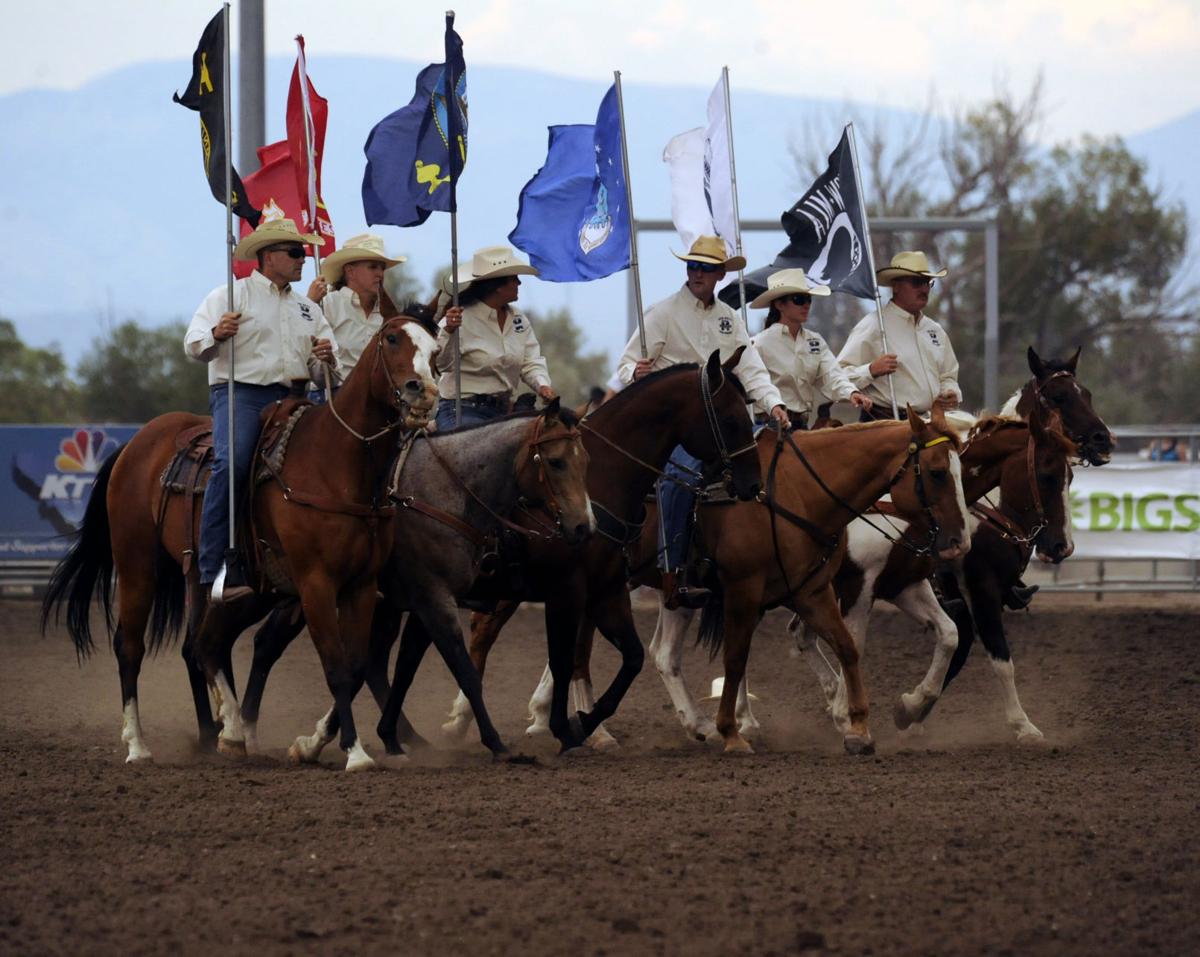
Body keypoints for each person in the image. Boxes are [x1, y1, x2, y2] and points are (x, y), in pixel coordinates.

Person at [615, 235, 788, 609]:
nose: (697, 273)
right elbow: (626, 363)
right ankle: (672, 573)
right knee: (681, 480)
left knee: (771, 461)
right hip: (675, 428)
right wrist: (634, 372)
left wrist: (774, 403)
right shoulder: (662, 313)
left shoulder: (730, 319)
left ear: (720, 274)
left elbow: (752, 369)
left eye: (706, 268)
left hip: (720, 424)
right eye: (693, 266)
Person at [185, 218, 339, 600]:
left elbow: (326, 374)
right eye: (295, 252)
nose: (303, 259)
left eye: (303, 253)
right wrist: (216, 334)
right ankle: (215, 568)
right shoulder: (228, 296)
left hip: (296, 397)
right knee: (233, 464)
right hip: (241, 393)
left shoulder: (309, 310)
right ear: (269, 257)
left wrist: (326, 360)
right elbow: (193, 345)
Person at [433, 245, 555, 432]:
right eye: (514, 279)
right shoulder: (459, 319)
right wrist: (448, 331)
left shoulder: (518, 319)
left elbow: (530, 361)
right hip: (461, 409)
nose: (519, 283)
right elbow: (442, 364)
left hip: (503, 411)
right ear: (498, 287)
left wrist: (542, 385)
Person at [838, 250, 961, 419]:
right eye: (917, 282)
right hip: (885, 421)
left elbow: (948, 376)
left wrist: (950, 392)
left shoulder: (935, 330)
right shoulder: (874, 325)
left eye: (927, 282)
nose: (924, 289)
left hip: (926, 422)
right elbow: (837, 377)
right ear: (895, 286)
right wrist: (871, 370)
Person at [749, 267, 872, 429]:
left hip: (801, 425)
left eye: (808, 299)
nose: (806, 305)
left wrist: (851, 392)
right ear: (779, 304)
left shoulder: (815, 341)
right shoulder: (759, 343)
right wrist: (773, 406)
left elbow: (832, 375)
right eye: (799, 299)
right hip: (770, 427)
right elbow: (754, 383)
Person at [305, 233, 406, 385]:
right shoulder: (328, 305)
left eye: (382, 268)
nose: (380, 274)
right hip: (335, 392)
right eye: (373, 267)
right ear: (350, 271)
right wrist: (309, 304)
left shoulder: (388, 312)